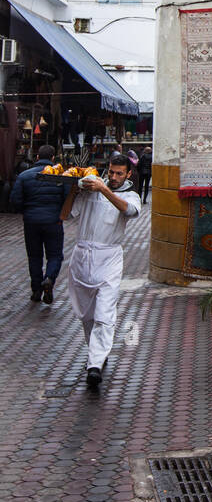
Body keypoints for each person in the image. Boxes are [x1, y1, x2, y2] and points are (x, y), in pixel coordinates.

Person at [60, 151, 142, 392]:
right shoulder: (90, 190)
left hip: (109, 258)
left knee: (105, 312)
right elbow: (65, 215)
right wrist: (75, 189)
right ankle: (97, 352)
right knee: (86, 314)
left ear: (128, 173)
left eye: (119, 173)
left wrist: (105, 190)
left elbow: (129, 211)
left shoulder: (131, 195)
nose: (113, 177)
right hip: (82, 255)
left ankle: (94, 365)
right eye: (111, 172)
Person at [9, 143, 66, 304]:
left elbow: (15, 200)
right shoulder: (61, 176)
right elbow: (68, 199)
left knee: (34, 256)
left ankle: (36, 289)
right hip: (54, 221)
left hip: (31, 221)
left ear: (37, 157)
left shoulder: (24, 176)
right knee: (55, 255)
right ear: (53, 158)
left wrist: (26, 212)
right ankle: (49, 278)